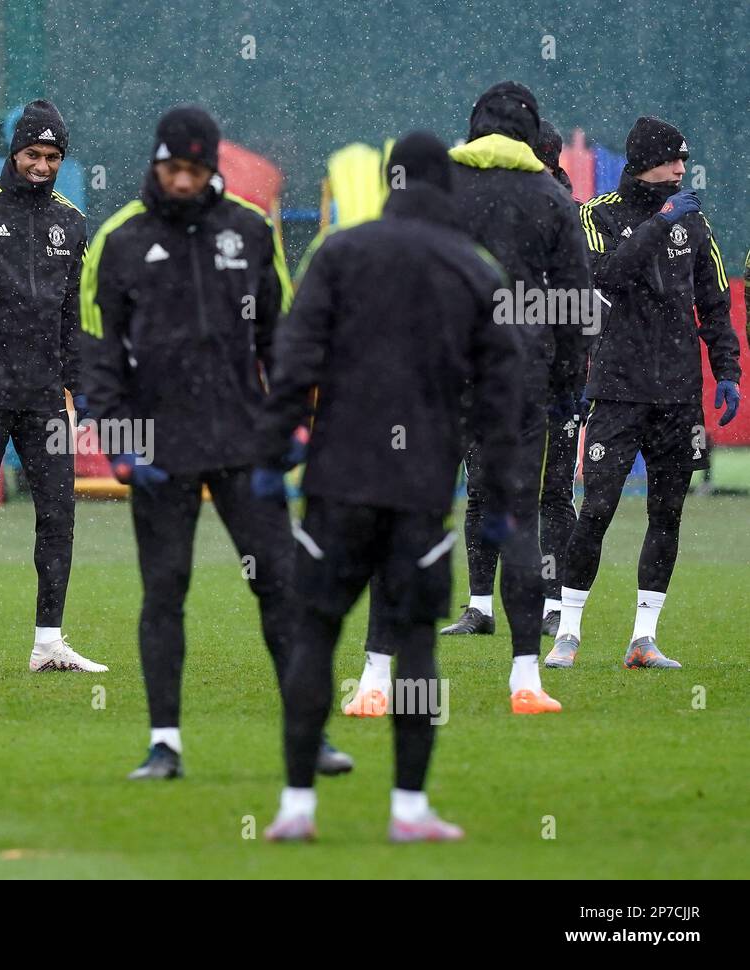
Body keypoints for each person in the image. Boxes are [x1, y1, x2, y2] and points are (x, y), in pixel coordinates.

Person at [255, 132, 520, 842]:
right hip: (421, 491)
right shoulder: (475, 268)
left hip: (338, 483)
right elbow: (504, 395)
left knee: (314, 636)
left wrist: (272, 451)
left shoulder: (340, 253)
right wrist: (504, 496)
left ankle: (295, 808)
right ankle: (408, 810)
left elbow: (294, 358)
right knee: (418, 648)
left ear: (390, 182)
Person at [80, 105, 350, 779]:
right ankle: (164, 744)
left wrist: (291, 423)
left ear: (211, 171)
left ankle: (308, 738)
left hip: (244, 445)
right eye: (172, 167)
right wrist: (120, 444)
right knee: (164, 593)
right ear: (155, 164)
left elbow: (281, 341)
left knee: (282, 586)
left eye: (195, 170)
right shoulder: (119, 239)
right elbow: (100, 356)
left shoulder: (250, 231)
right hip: (159, 452)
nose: (182, 180)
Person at [546, 117, 740, 670]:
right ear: (645, 160)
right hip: (617, 389)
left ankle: (643, 639)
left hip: (678, 396)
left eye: (686, 160)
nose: (683, 170)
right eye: (673, 160)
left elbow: (716, 302)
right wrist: (658, 222)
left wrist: (727, 370)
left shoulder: (694, 223)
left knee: (667, 512)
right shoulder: (597, 214)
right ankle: (569, 634)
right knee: (598, 509)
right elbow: (604, 275)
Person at [432, 81, 591, 714]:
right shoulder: (552, 196)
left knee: (411, 516)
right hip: (518, 377)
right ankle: (526, 674)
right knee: (521, 518)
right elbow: (576, 303)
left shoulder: (436, 188)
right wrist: (567, 383)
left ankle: (379, 672)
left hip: (441, 374)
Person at [0, 99, 105, 676]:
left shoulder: (72, 221)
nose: (42, 164)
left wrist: (77, 388)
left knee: (58, 513)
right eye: (34, 153)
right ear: (15, 153)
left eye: (53, 155)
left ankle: (48, 643)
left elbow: (70, 313)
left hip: (43, 397)